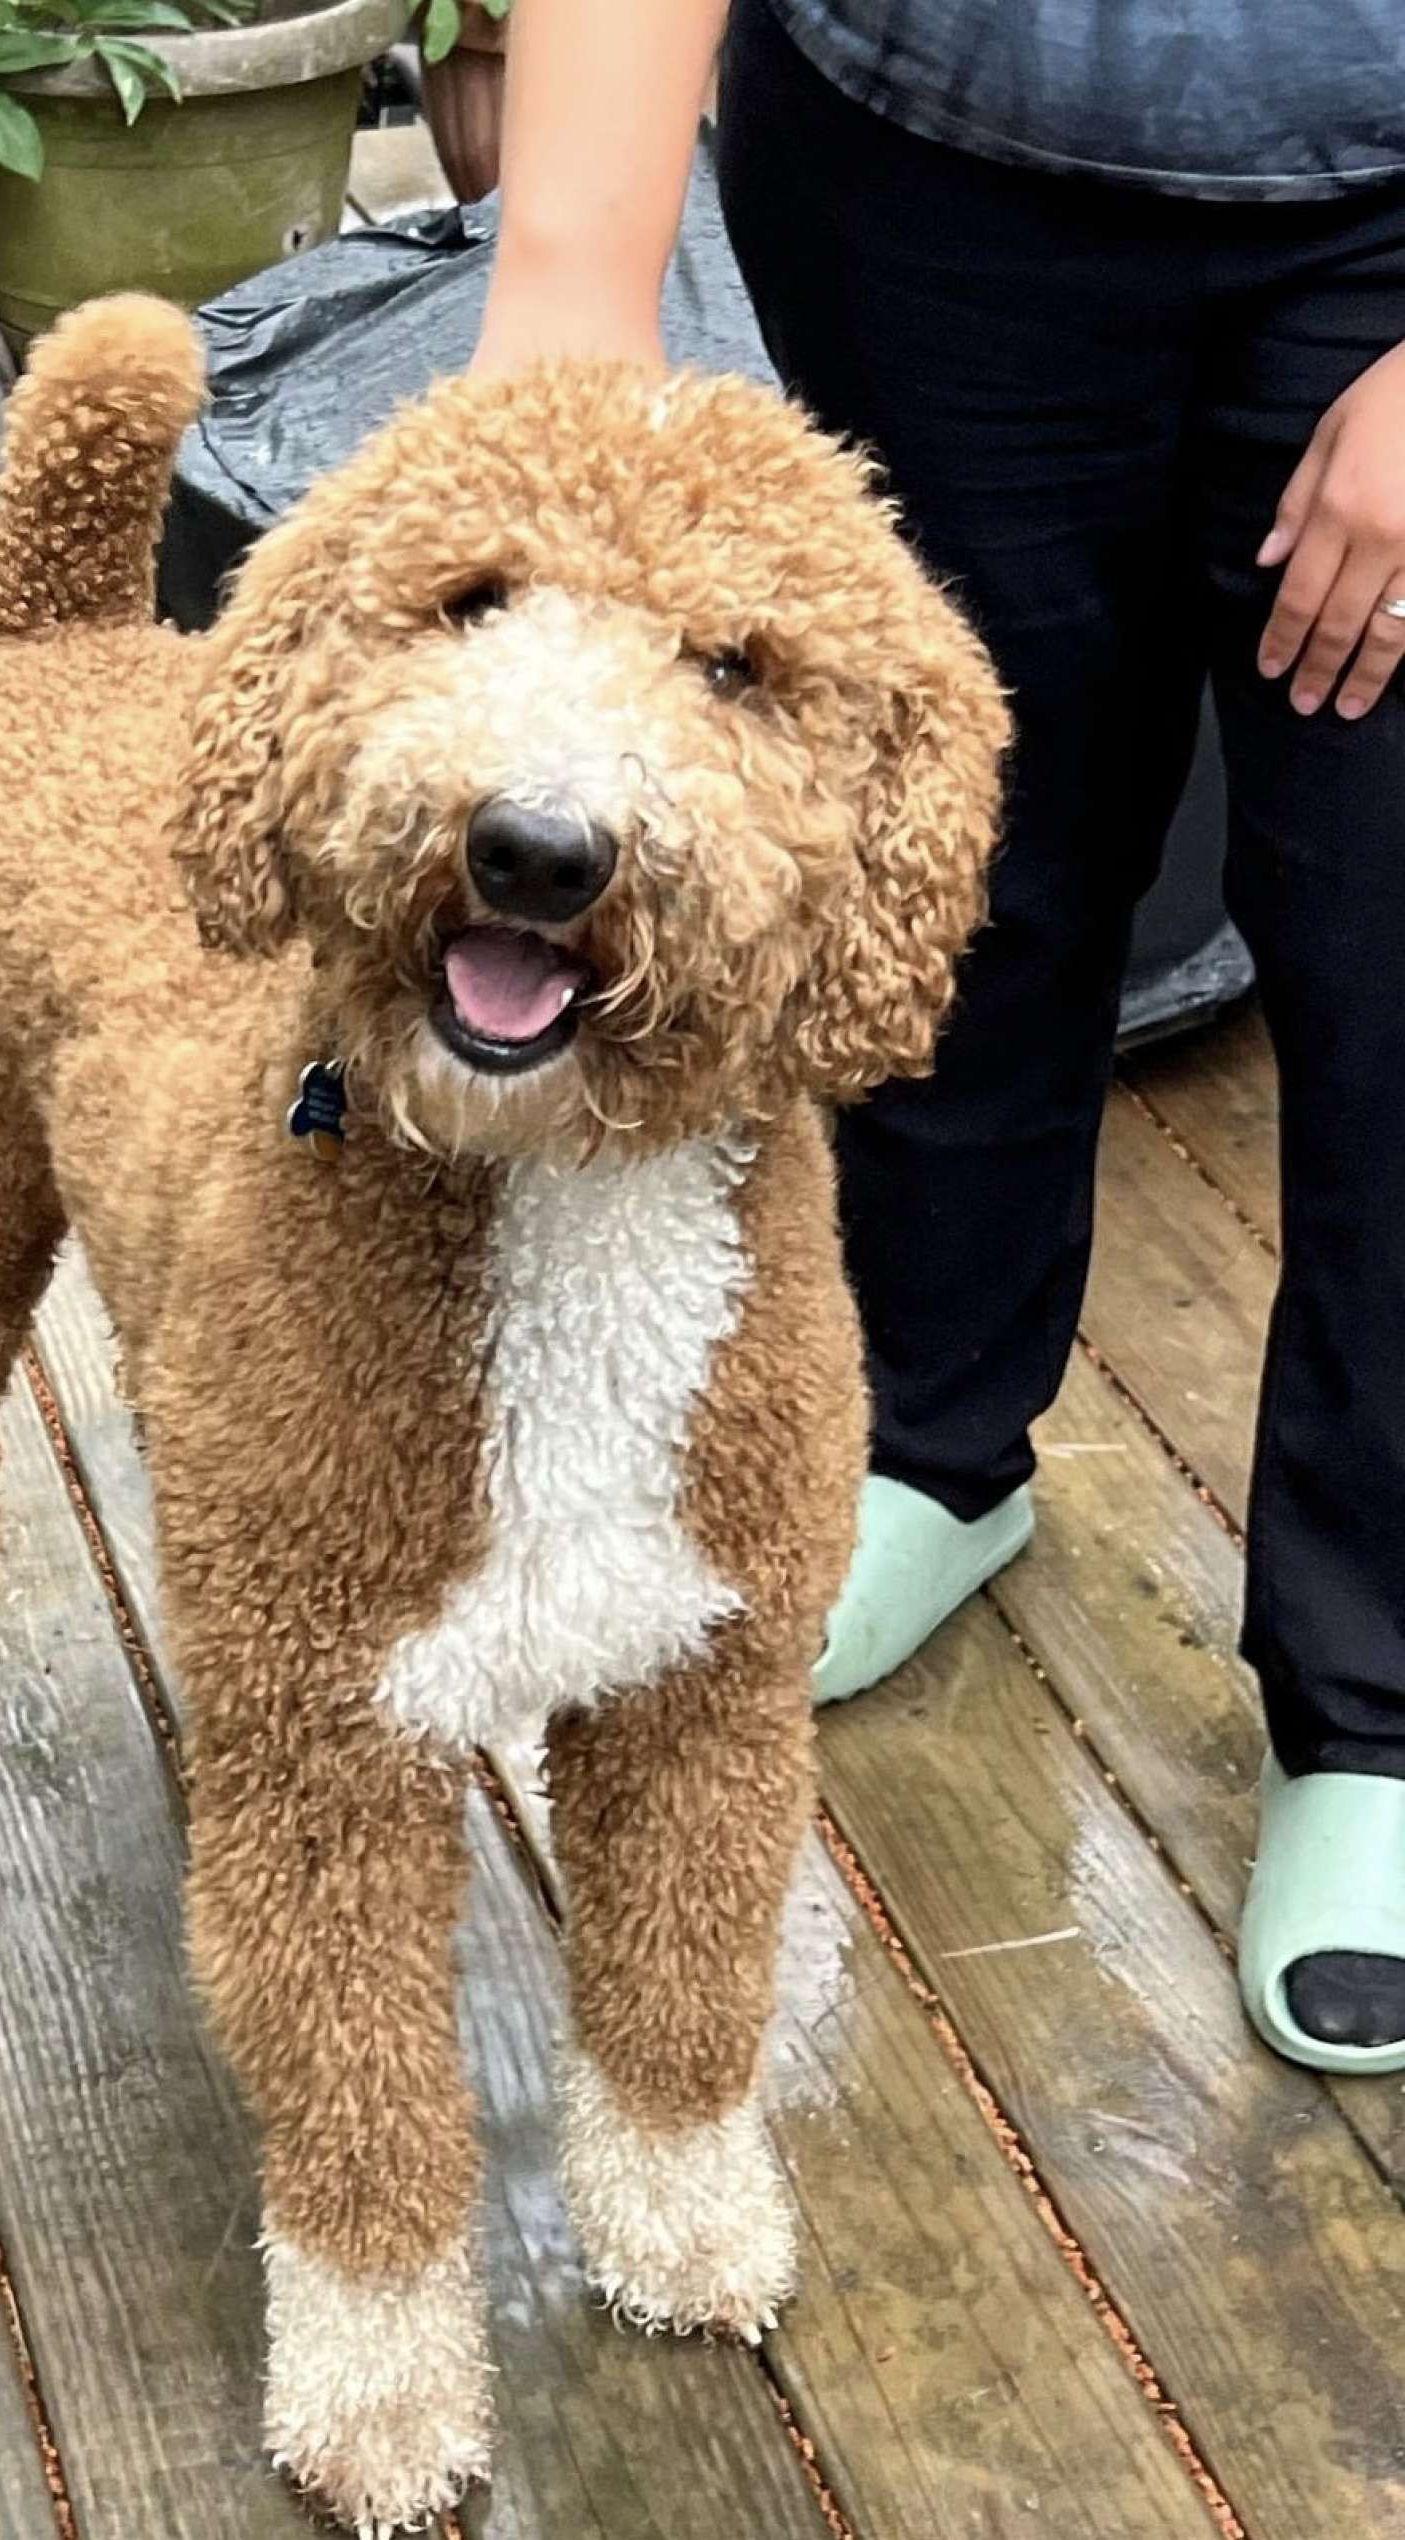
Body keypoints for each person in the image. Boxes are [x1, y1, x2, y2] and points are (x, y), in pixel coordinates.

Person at [473, 0, 1405, 2074]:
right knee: (950, 869)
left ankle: (1386, 1706)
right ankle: (924, 1442)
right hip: (926, 179)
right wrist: (569, 270)